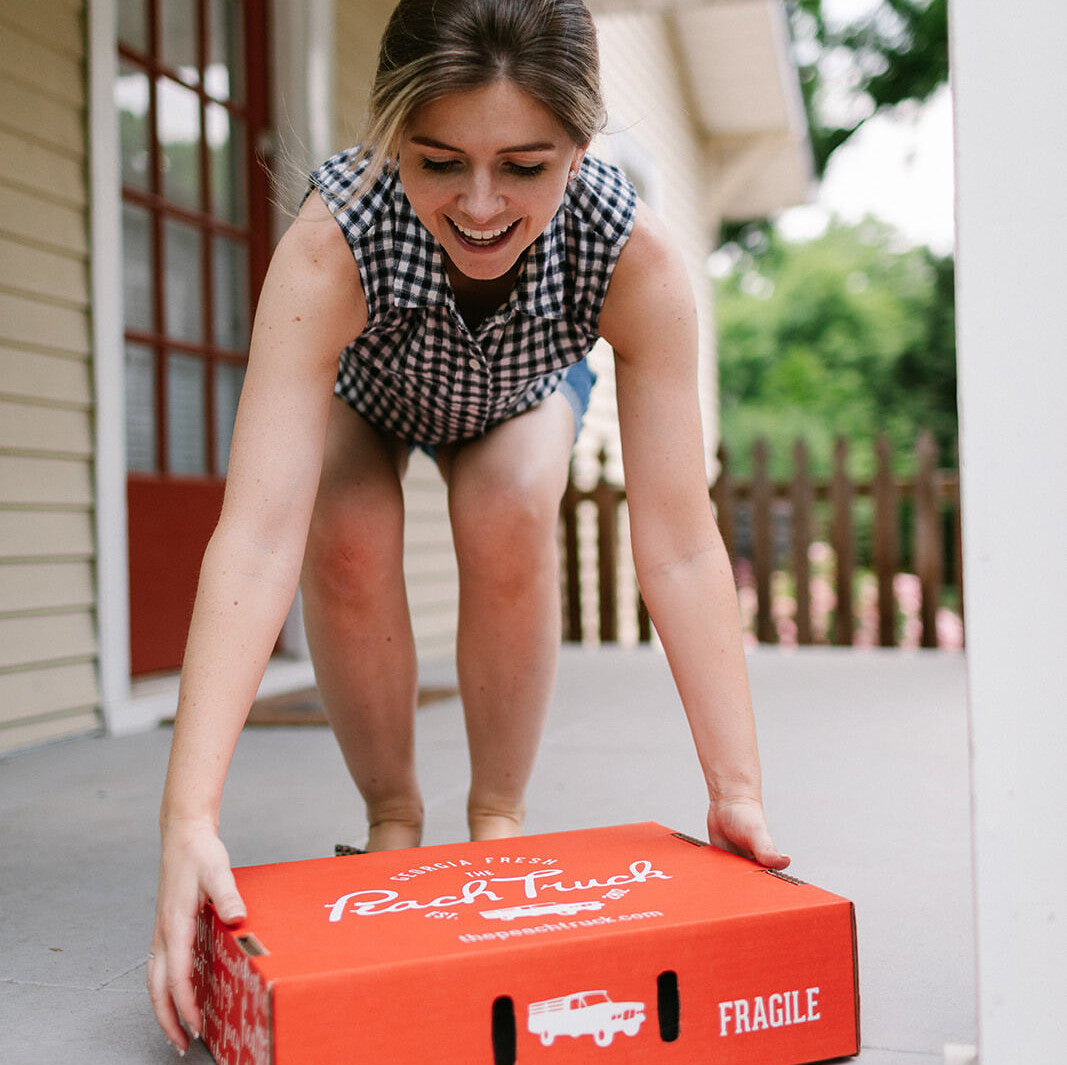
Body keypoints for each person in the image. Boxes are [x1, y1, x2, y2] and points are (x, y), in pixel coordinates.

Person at [147, 0, 790, 1052]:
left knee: (504, 506)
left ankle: (496, 818)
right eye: (439, 160)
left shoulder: (632, 257)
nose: (481, 205)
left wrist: (736, 790)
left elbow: (677, 544)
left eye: (525, 166)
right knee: (342, 533)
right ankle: (393, 818)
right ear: (391, 130)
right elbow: (255, 537)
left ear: (581, 148)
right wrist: (186, 823)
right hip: (367, 389)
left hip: (518, 398)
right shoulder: (333, 236)